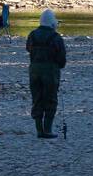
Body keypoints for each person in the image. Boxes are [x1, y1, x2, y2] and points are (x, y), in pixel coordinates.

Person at [26, 9, 67, 139]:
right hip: (50, 71)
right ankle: (47, 130)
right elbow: (62, 59)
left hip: (34, 71)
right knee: (50, 100)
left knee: (37, 99)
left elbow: (28, 49)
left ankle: (39, 130)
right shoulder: (56, 37)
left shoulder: (32, 35)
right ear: (52, 23)